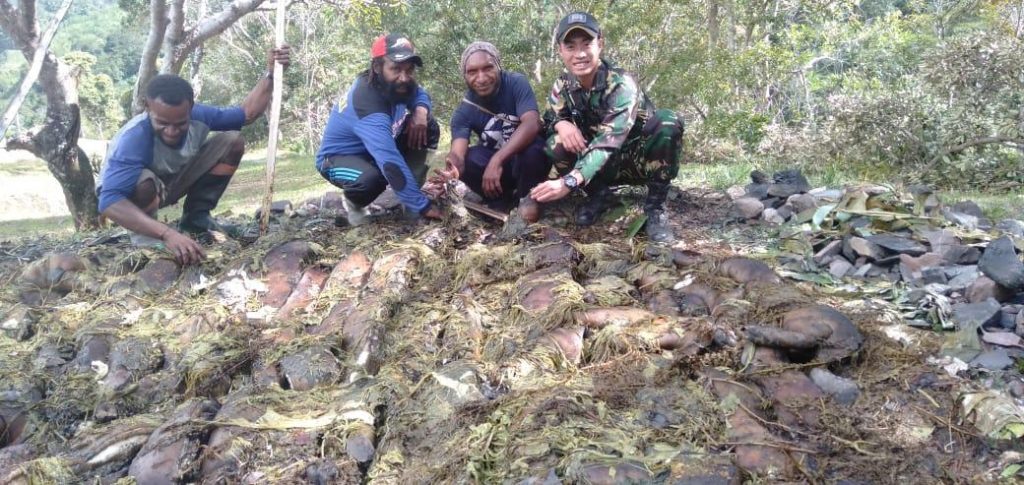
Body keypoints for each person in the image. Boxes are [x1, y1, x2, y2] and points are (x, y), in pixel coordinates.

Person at [97, 46, 291, 265]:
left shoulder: (200, 116)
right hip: (136, 194)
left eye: (180, 123)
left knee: (232, 142)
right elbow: (110, 201)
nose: (171, 131)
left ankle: (196, 219)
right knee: (144, 184)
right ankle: (149, 237)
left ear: (190, 109)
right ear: (148, 109)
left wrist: (271, 74)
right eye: (162, 123)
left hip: (173, 181)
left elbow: (247, 114)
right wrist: (167, 234)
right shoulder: (134, 138)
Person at [529, 12, 683, 243]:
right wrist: (561, 123)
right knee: (555, 142)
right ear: (560, 51)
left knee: (667, 121)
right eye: (570, 46)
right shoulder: (562, 86)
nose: (580, 54)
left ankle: (656, 208)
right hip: (598, 169)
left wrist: (569, 181)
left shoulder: (621, 84)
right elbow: (548, 119)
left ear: (600, 44)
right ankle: (600, 196)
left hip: (637, 162)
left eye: (587, 44)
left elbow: (608, 141)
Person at [316, 33, 442, 225]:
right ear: (377, 67)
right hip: (336, 158)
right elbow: (390, 163)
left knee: (429, 126)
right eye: (396, 69)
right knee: (373, 178)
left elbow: (419, 93)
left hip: (375, 151)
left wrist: (421, 111)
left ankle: (410, 200)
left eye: (409, 70)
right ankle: (354, 204)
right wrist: (424, 207)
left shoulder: (399, 84)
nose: (404, 77)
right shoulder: (368, 104)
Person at [444, 41, 550, 222]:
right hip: (498, 174)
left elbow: (532, 123)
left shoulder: (516, 83)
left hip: (523, 164)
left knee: (535, 148)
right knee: (471, 158)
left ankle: (529, 197)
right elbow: (458, 154)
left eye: (488, 68)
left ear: (499, 66)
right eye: (472, 72)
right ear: (464, 75)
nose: (482, 78)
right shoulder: (464, 111)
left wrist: (497, 159)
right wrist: (451, 171)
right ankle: (498, 198)